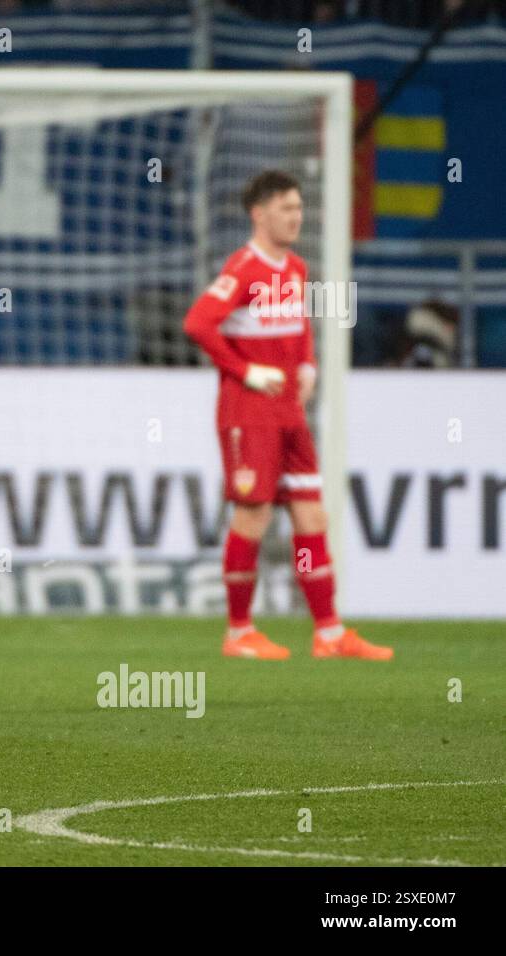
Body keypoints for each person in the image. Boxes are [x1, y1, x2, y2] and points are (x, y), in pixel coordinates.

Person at [184, 169, 392, 661]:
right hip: (248, 413)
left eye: (299, 207)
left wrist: (306, 363)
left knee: (311, 514)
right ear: (259, 214)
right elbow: (198, 323)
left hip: (288, 413)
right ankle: (238, 632)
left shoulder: (295, 268)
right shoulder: (242, 269)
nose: (296, 216)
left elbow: (299, 325)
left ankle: (328, 631)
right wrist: (245, 371)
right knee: (253, 513)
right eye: (286, 208)